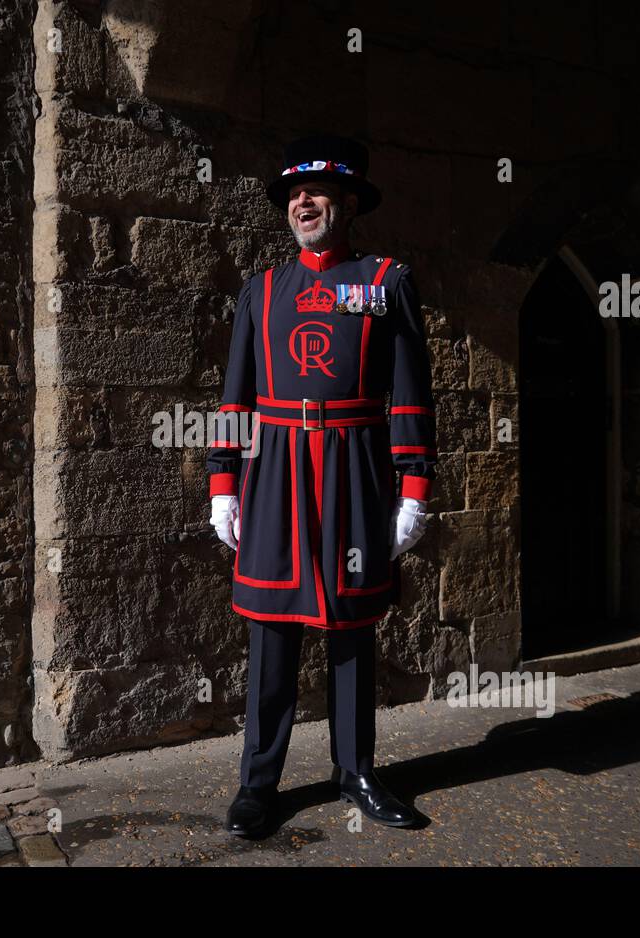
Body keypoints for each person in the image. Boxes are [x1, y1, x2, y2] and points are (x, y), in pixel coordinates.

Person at [206, 134, 438, 838]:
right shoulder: (263, 290)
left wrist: (415, 489)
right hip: (274, 471)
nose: (302, 204)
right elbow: (235, 398)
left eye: (316, 193)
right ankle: (258, 783)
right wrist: (225, 485)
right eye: (293, 196)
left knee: (351, 631)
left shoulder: (385, 280)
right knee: (272, 631)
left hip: (353, 470)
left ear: (347, 202)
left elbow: (409, 394)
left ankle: (357, 771)